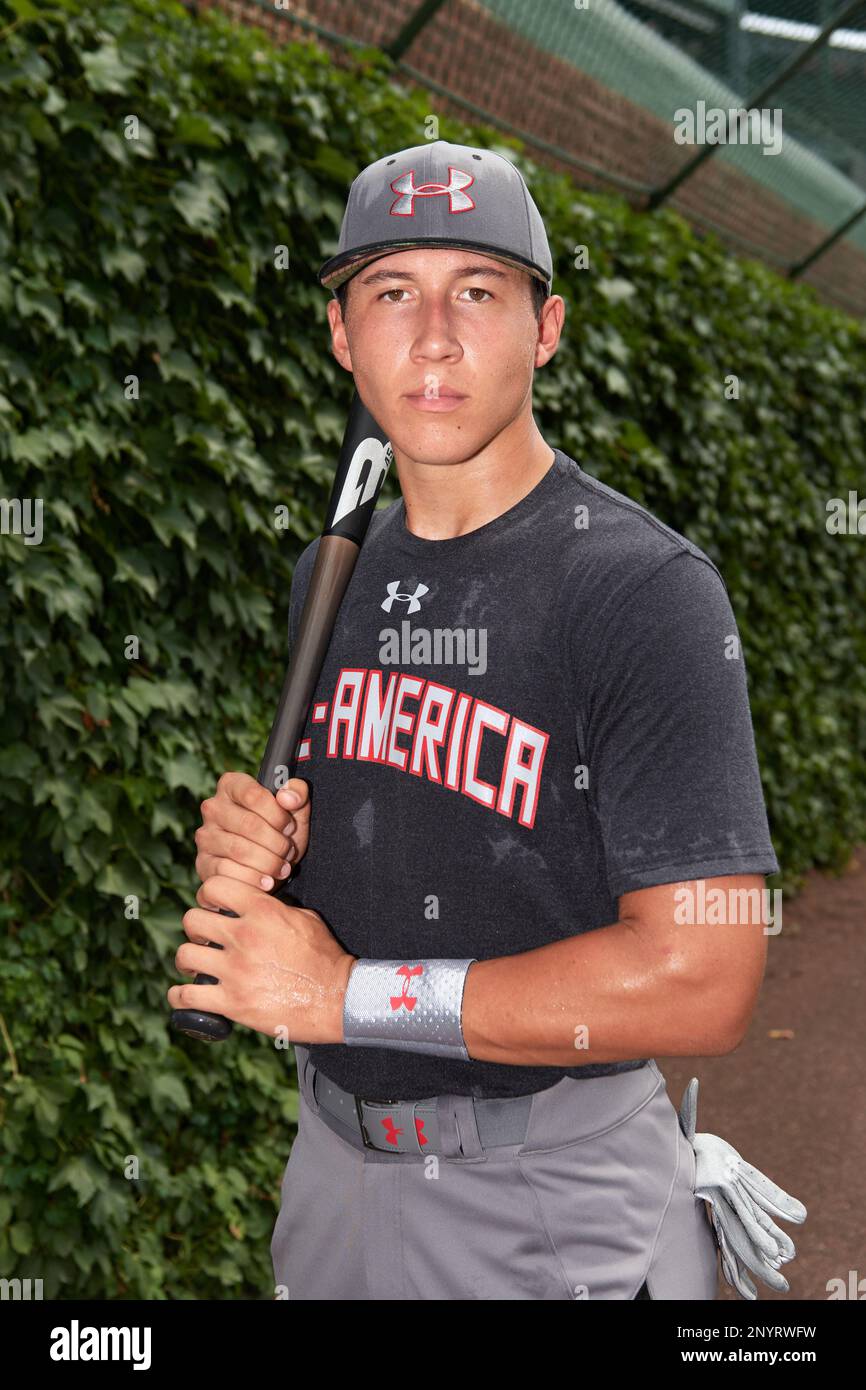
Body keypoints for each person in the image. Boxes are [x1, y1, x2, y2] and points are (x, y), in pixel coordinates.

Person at [169, 140, 806, 1300]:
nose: (432, 340)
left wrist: (339, 993)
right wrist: (278, 853)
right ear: (338, 333)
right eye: (389, 292)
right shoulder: (333, 570)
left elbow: (700, 978)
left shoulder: (639, 587)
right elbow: (419, 830)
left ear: (546, 326)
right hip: (332, 1176)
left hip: (546, 1196)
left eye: (475, 289)